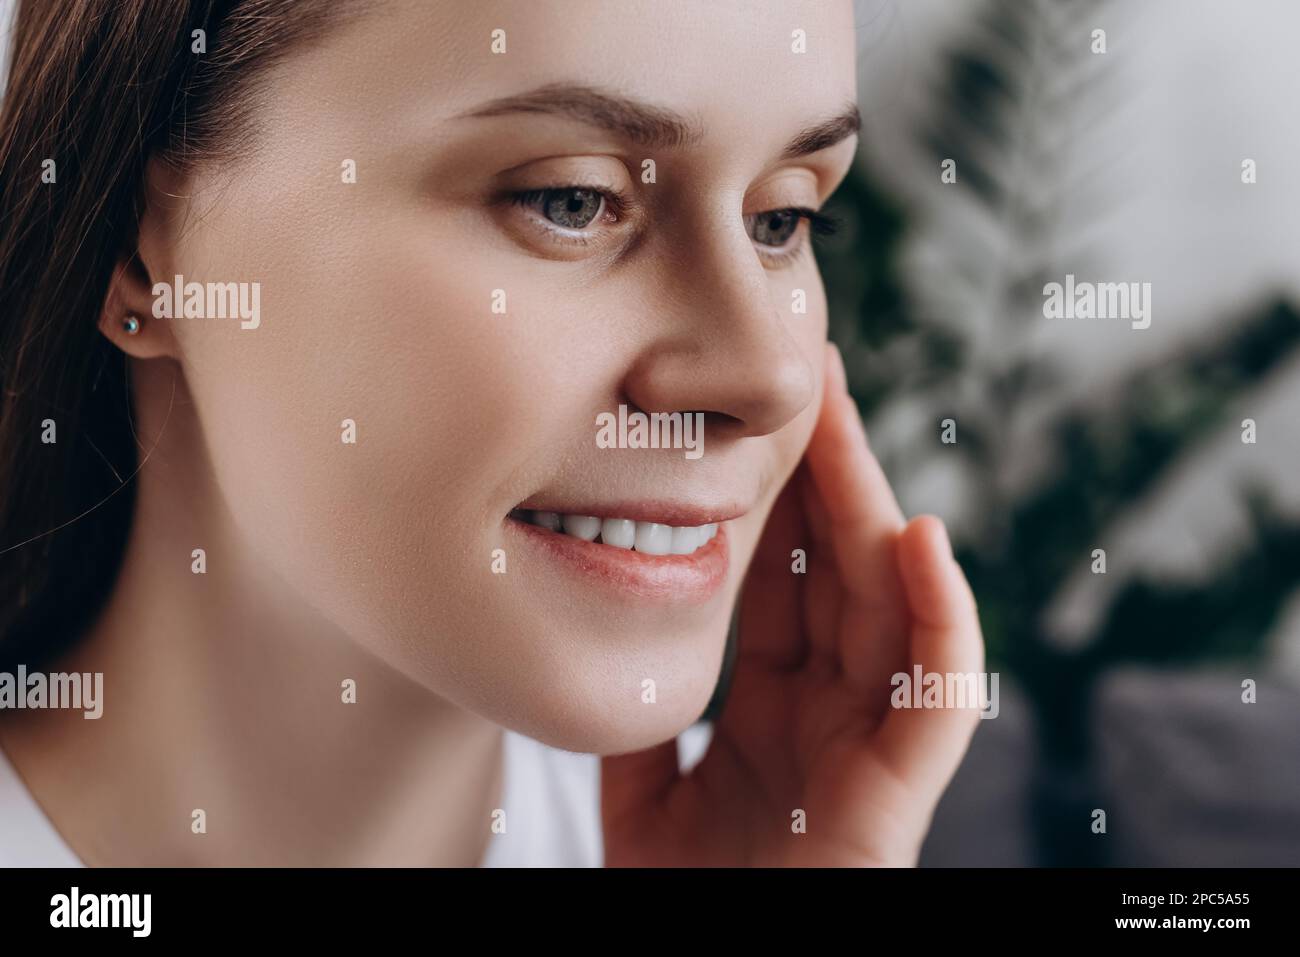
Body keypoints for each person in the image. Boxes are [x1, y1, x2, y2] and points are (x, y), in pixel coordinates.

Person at [0, 0, 984, 867]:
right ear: (139, 238)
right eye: (568, 200)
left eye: (782, 219)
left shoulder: (759, 837)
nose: (767, 374)